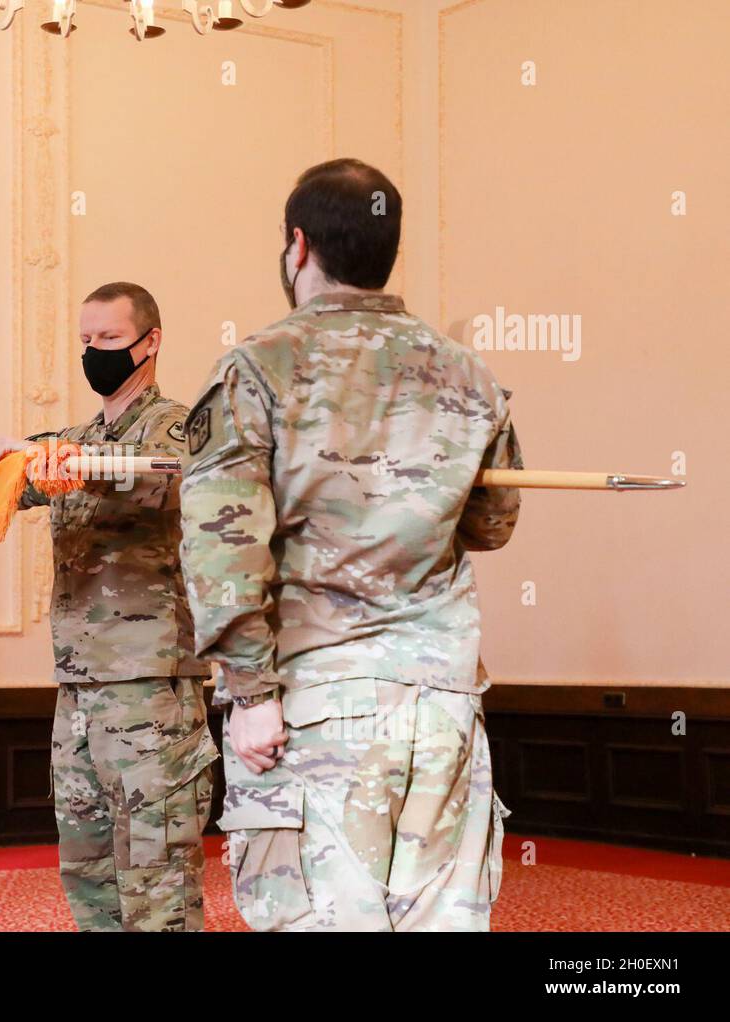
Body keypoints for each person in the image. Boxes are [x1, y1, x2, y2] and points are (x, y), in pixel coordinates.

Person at [179, 159, 521, 932]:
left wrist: (250, 695)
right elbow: (493, 525)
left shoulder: (256, 368)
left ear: (298, 247)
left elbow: (221, 546)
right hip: (440, 703)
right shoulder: (469, 374)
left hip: (314, 704)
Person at [0, 282, 217, 931]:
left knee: (158, 888)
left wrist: (74, 461)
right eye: (85, 341)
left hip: (149, 696)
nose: (94, 352)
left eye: (108, 339)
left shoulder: (181, 428)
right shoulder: (67, 441)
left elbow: (163, 472)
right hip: (77, 695)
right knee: (91, 883)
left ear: (150, 341)